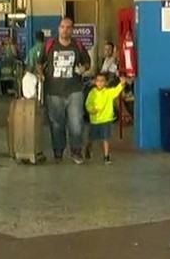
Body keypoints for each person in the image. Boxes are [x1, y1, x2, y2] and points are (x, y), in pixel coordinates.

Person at [37, 17, 92, 164]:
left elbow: (87, 62)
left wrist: (83, 68)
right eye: (62, 27)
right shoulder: (50, 45)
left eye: (68, 27)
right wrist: (40, 74)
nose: (65, 30)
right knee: (56, 124)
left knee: (76, 123)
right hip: (53, 92)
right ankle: (58, 153)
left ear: (72, 30)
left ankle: (75, 152)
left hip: (74, 90)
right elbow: (39, 63)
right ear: (58, 28)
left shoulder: (78, 45)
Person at [85, 72, 132, 164]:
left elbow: (116, 90)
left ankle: (106, 156)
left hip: (106, 120)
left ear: (106, 83)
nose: (100, 83)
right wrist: (91, 110)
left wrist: (122, 83)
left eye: (102, 81)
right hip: (95, 120)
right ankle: (88, 148)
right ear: (95, 82)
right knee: (92, 138)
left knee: (106, 138)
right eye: (98, 81)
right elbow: (88, 104)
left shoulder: (108, 92)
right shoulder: (92, 93)